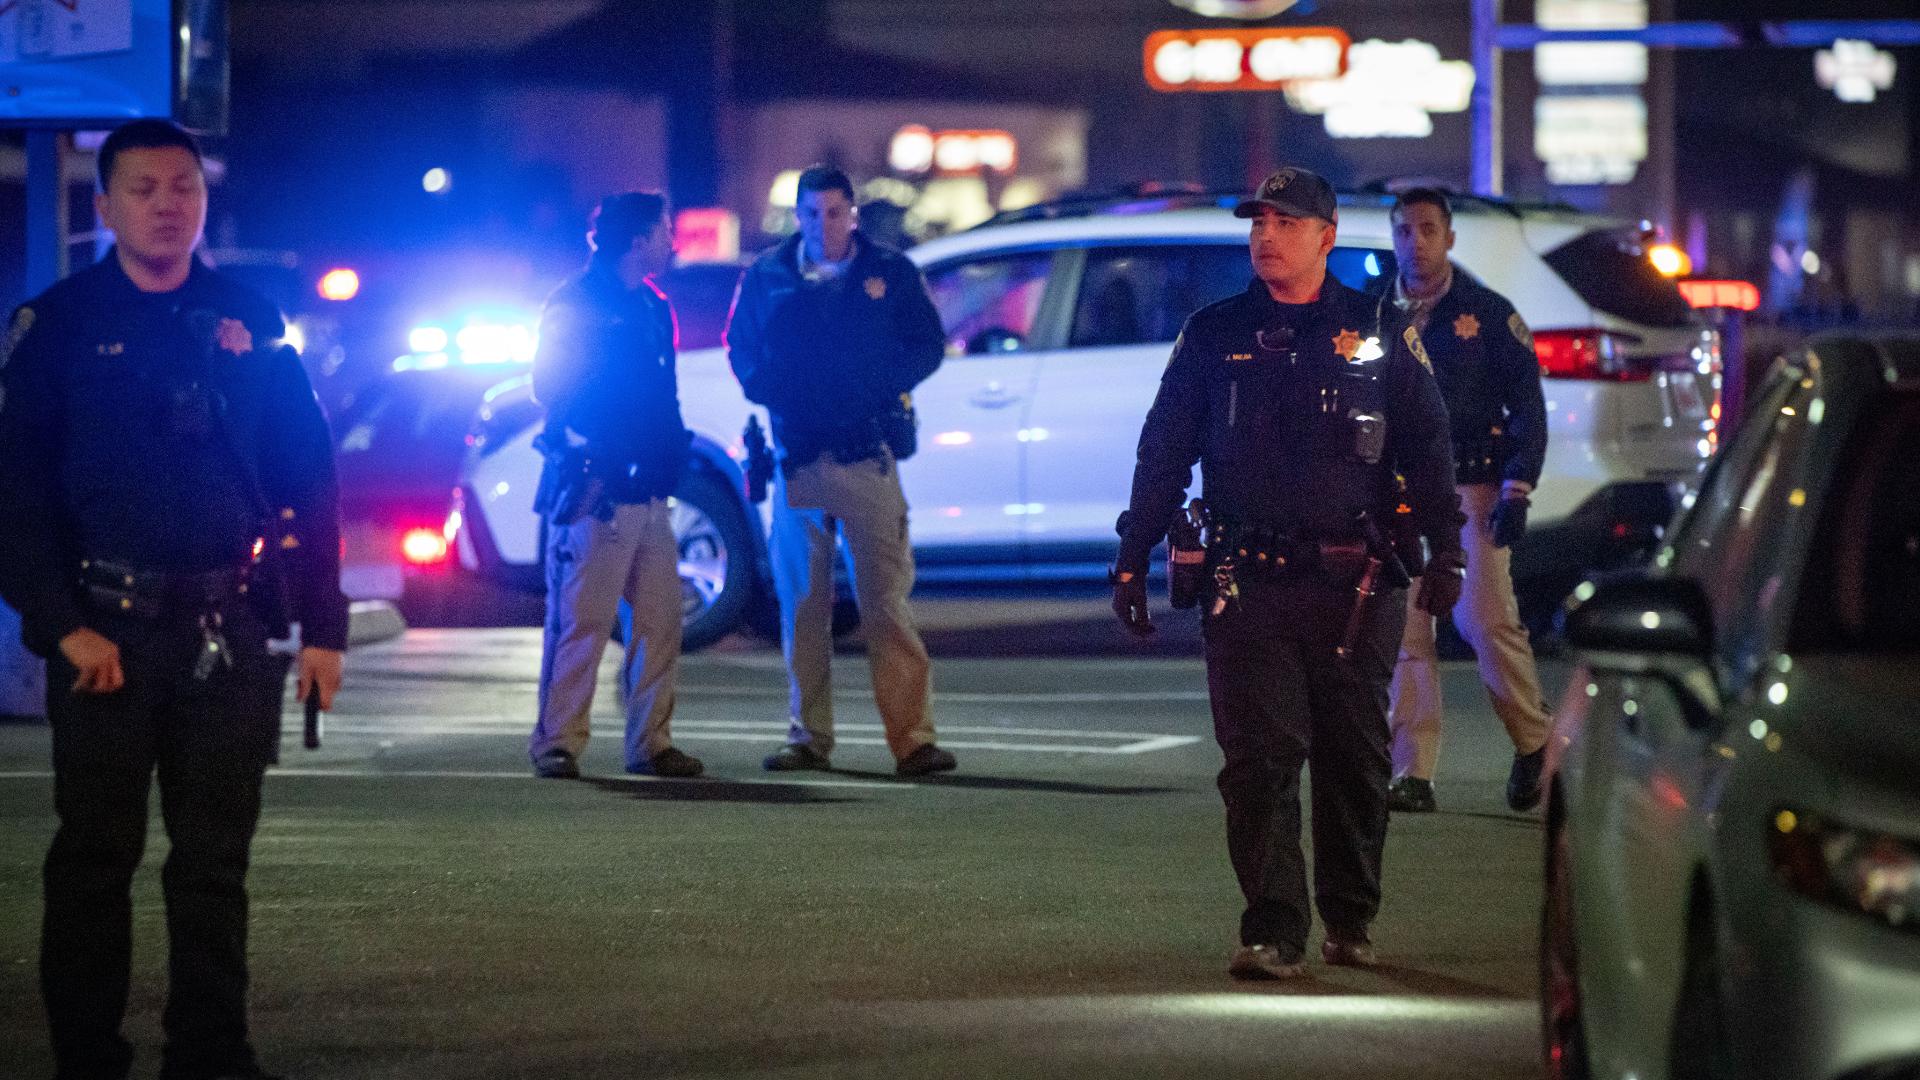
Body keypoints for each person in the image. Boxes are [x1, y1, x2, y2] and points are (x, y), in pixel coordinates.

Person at [0, 119, 346, 1080]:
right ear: (104, 206)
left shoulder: (251, 319)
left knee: (213, 867)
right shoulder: (57, 326)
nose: (167, 206)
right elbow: (14, 496)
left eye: (183, 187)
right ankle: (85, 1059)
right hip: (103, 633)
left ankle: (212, 1053)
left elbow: (308, 480)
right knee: (92, 864)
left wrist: (323, 627)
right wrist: (60, 624)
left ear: (204, 199)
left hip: (228, 629)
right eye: (144, 189)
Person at [1111, 167, 1465, 980]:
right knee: (1259, 759)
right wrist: (1134, 556)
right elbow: (1164, 450)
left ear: (1326, 237)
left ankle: (1350, 917)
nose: (1266, 236)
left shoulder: (1380, 329)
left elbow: (1429, 448)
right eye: (1258, 223)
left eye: (1285, 222)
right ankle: (1273, 927)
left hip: (1356, 583)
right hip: (1247, 579)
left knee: (1352, 756)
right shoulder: (1214, 332)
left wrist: (1446, 552)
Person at [725, 165, 955, 778]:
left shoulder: (889, 272)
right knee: (802, 605)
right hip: (796, 454)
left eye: (832, 213)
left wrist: (871, 388)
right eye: (809, 214)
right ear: (796, 216)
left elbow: (927, 346)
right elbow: (740, 349)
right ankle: (808, 736)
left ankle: (912, 740)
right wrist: (774, 390)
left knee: (887, 603)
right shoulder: (768, 276)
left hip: (865, 450)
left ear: (851, 213)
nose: (821, 226)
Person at [1378, 188, 1553, 815]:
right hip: (1395, 493)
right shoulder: (1374, 315)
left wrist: (1517, 486)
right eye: (1404, 230)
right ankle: (1413, 771)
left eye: (1428, 229)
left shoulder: (1486, 315)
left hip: (1469, 487)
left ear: (1450, 237)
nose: (1415, 242)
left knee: (1483, 620)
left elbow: (1527, 407)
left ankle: (1534, 742)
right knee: (1405, 631)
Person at [527, 192, 704, 781]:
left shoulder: (654, 306)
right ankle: (559, 741)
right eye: (663, 231)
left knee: (661, 620)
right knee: (582, 620)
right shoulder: (575, 303)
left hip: (649, 490)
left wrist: (671, 451)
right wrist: (607, 445)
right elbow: (551, 387)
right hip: (597, 486)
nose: (671, 240)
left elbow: (666, 392)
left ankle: (651, 743)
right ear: (637, 239)